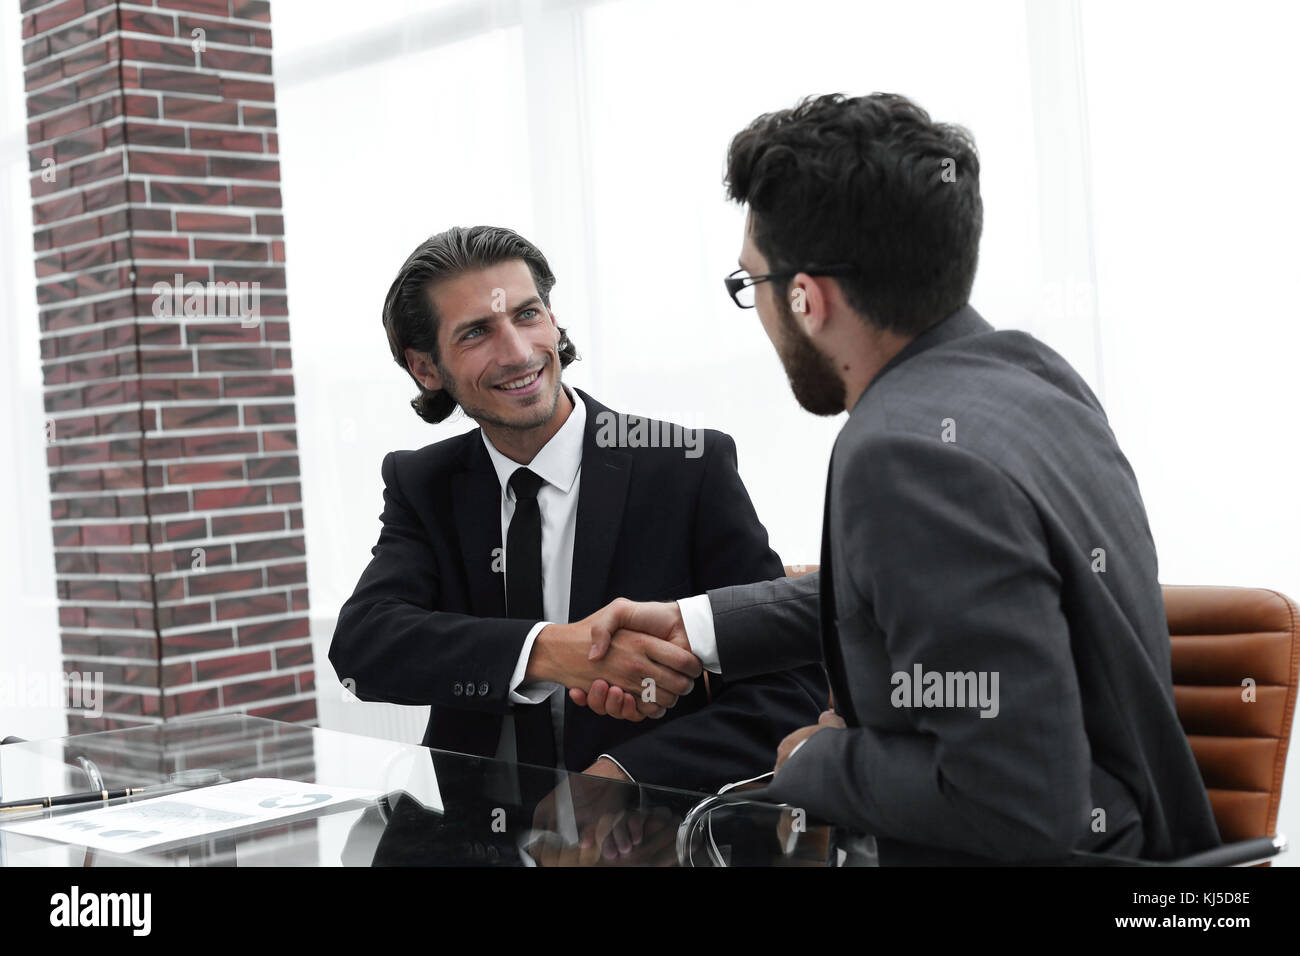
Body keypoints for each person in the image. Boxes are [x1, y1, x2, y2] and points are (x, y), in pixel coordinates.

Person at [578, 93, 1222, 864]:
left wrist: (814, 761)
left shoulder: (903, 458)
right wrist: (703, 627)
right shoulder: (1034, 375)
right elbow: (928, 582)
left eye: (753, 283)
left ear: (808, 298)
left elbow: (1014, 804)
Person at [329, 225, 826, 802]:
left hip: (646, 827)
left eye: (528, 315)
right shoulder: (423, 482)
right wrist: (551, 652)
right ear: (425, 369)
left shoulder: (687, 467)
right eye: (476, 332)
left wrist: (625, 774)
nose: (518, 352)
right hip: (466, 829)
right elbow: (364, 645)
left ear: (553, 321)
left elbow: (789, 688)